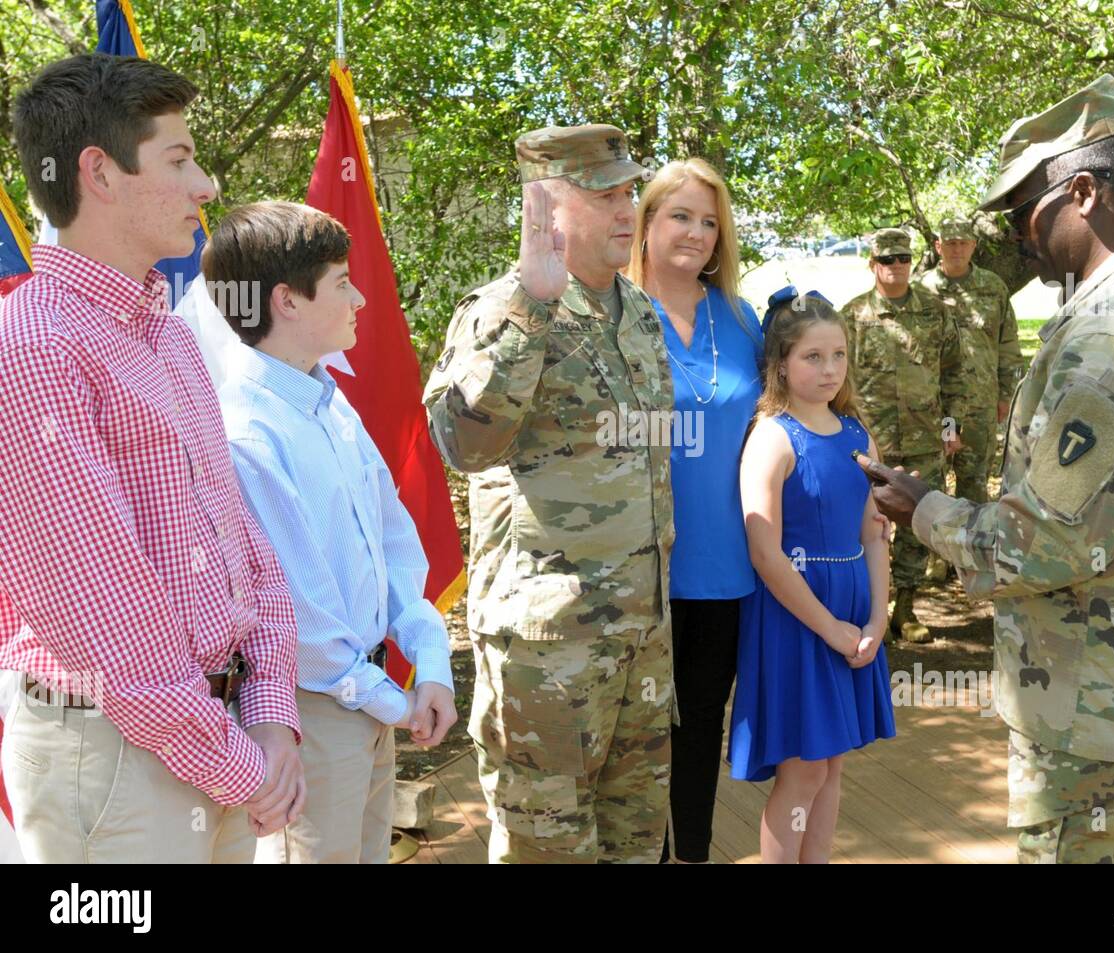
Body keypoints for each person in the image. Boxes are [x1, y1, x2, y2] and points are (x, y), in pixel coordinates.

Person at [863, 75, 1114, 863]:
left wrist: (926, 509)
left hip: (1102, 723)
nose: (1013, 234)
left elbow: (1047, 543)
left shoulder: (1113, 339)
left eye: (1023, 212)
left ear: (1083, 191)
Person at [0, 53, 303, 863]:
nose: (206, 185)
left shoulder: (167, 335)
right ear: (97, 172)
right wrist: (242, 761)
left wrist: (270, 708)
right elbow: (99, 605)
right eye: (179, 159)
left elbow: (244, 540)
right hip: (116, 762)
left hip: (216, 738)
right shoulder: (34, 345)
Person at [423, 125, 674, 863]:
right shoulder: (504, 309)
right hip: (549, 653)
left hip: (639, 639)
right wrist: (532, 306)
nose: (627, 210)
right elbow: (461, 444)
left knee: (634, 842)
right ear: (547, 206)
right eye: (605, 195)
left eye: (629, 190)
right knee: (547, 847)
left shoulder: (637, 310)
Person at [206, 202, 457, 863]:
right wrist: (396, 703)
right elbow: (301, 620)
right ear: (286, 300)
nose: (362, 295)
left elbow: (395, 542)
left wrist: (429, 658)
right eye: (343, 281)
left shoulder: (328, 401)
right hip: (310, 714)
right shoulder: (247, 434)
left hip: (366, 706)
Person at [626, 158, 763, 864]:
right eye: (681, 215)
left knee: (701, 723)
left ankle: (694, 855)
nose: (697, 232)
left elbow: (787, 424)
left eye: (710, 221)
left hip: (724, 566)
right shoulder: (607, 312)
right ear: (646, 224)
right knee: (635, 735)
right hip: (631, 571)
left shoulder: (741, 318)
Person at [729, 287, 895, 864]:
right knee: (803, 770)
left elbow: (874, 531)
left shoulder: (855, 434)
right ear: (780, 363)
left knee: (832, 765)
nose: (829, 370)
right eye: (812, 357)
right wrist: (831, 629)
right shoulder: (772, 437)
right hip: (799, 618)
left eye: (839, 356)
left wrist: (877, 617)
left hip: (853, 610)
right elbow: (766, 552)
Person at [843, 228, 967, 642]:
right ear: (872, 263)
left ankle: (905, 609)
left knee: (915, 521)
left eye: (903, 259)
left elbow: (953, 373)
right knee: (864, 523)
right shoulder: (853, 316)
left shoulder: (935, 311)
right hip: (867, 443)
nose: (896, 266)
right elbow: (838, 383)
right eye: (887, 259)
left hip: (923, 438)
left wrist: (951, 427)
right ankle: (865, 606)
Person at [917, 218, 1022, 503]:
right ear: (938, 246)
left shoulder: (993, 287)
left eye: (963, 243)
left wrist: (1005, 395)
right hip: (933, 405)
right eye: (950, 243)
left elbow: (1008, 343)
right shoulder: (920, 290)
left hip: (980, 404)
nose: (957, 250)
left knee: (974, 486)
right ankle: (932, 545)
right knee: (929, 486)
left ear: (974, 246)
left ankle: (968, 545)